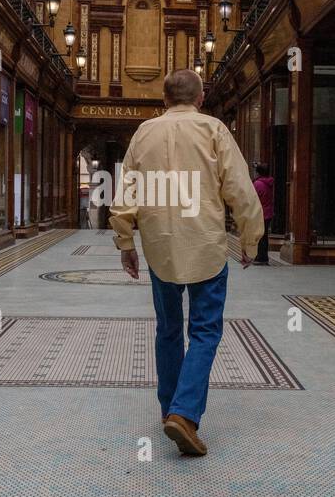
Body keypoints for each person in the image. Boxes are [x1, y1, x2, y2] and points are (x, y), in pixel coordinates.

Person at [109, 68, 263, 457]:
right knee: (206, 330)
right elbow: (239, 188)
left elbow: (126, 189)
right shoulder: (214, 130)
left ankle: (169, 409)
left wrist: (126, 241)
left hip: (160, 247)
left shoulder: (144, 133)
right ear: (200, 99)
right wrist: (251, 238)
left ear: (164, 100)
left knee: (168, 329)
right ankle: (185, 412)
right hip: (206, 245)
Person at [252, 162, 274, 265]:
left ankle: (261, 257)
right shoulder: (269, 182)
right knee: (264, 236)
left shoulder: (258, 184)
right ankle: (264, 256)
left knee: (259, 236)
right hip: (268, 212)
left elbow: (252, 198)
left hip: (260, 213)